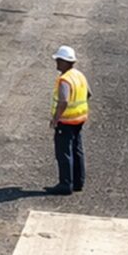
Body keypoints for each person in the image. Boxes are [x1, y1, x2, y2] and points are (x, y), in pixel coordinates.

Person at [48, 45, 89, 195]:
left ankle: (65, 184)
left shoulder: (64, 80)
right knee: (77, 151)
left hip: (65, 122)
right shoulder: (79, 75)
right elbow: (88, 94)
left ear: (65, 61)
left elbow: (63, 101)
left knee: (64, 153)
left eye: (59, 60)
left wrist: (55, 118)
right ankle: (78, 182)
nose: (57, 63)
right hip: (79, 119)